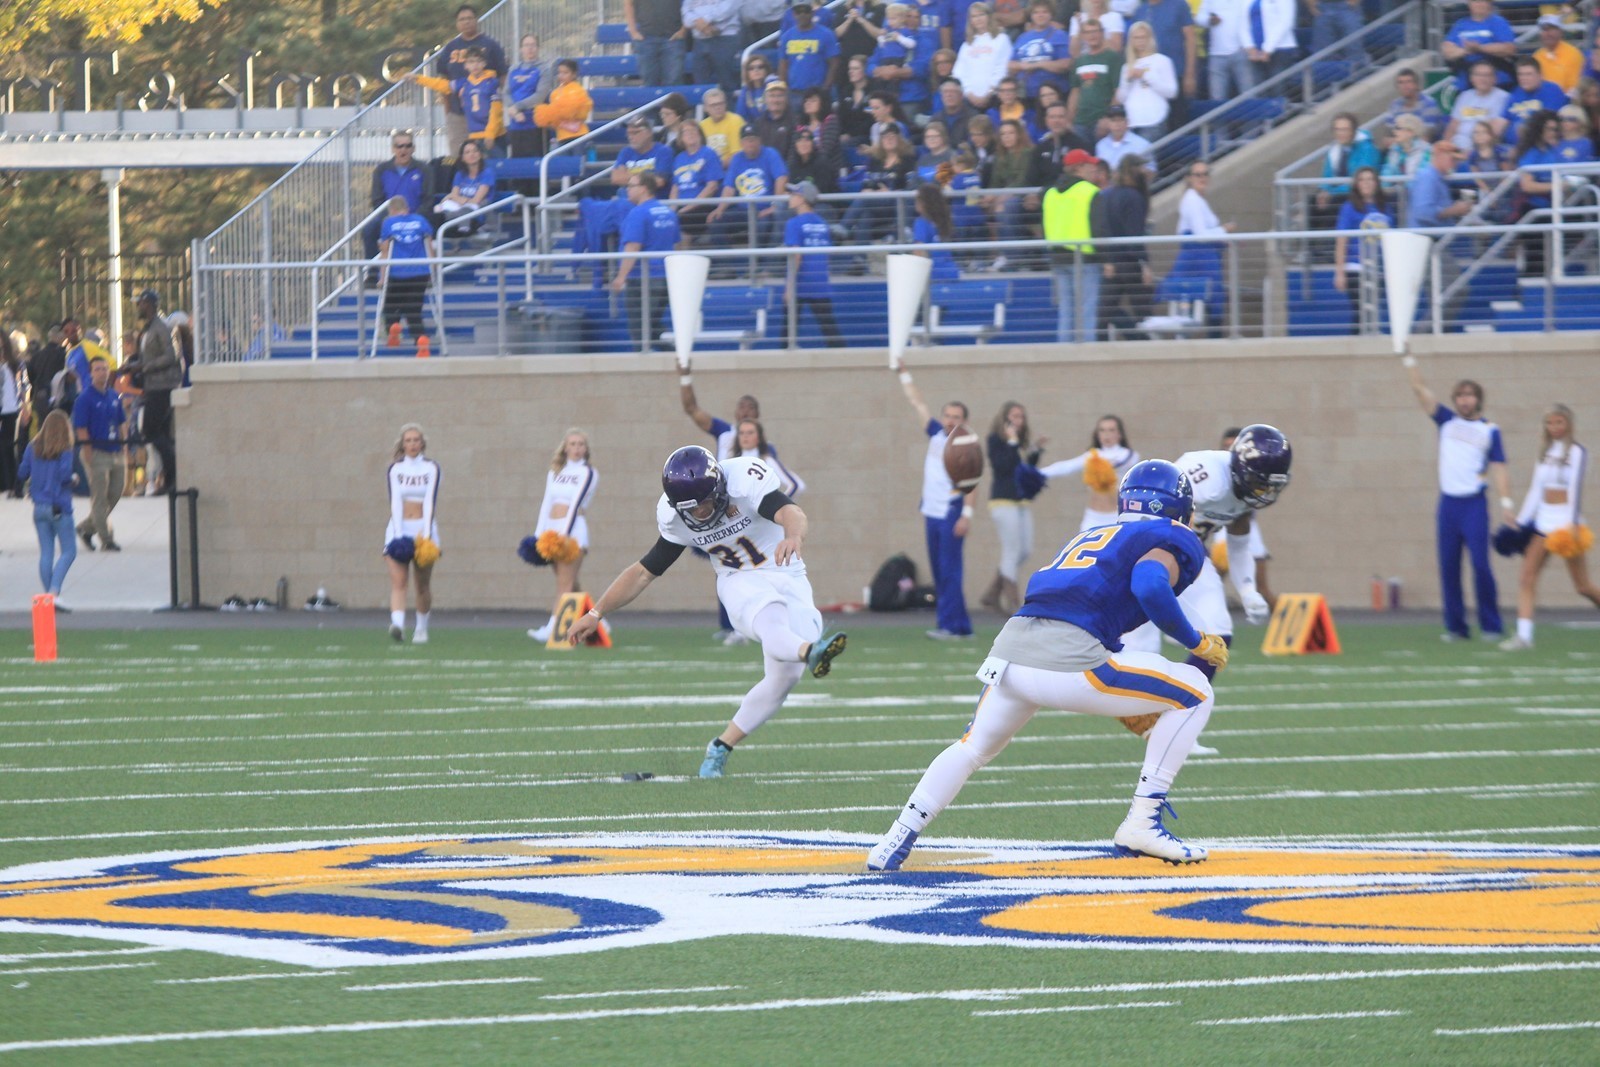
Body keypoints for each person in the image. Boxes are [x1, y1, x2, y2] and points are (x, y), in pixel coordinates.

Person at [866, 459, 1226, 871]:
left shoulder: (1095, 532)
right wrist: (1196, 641)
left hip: (1013, 654)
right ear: (1177, 506)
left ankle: (894, 840)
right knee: (1196, 690)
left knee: (972, 749)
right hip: (1071, 662)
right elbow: (1149, 583)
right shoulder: (1171, 535)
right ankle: (1143, 822)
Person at [565, 445, 848, 777]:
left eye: (704, 503)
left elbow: (790, 512)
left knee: (784, 677)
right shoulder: (674, 517)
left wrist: (793, 536)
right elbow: (644, 572)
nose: (699, 513)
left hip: (787, 571)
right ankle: (809, 650)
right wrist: (596, 613)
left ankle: (720, 746)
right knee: (770, 618)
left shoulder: (744, 480)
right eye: (691, 508)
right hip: (738, 580)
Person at [1401, 358, 1512, 641]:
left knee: (1481, 565)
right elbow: (1420, 389)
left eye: (1469, 395)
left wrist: (1507, 503)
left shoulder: (1490, 430)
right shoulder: (1446, 421)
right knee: (1449, 566)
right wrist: (1408, 358)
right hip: (1448, 505)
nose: (1464, 400)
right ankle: (1456, 627)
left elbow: (1499, 468)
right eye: (1460, 395)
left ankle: (1491, 625)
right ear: (1455, 400)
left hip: (1473, 504)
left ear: (1478, 400)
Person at [1502, 404, 1599, 650]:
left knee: (1583, 586)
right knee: (1527, 576)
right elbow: (1536, 490)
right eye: (1550, 423)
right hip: (1543, 523)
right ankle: (1524, 636)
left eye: (1559, 422)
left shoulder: (1577, 452)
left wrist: (1573, 524)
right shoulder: (1544, 452)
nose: (1554, 427)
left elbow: (1575, 489)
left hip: (1566, 523)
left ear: (1568, 424)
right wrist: (1521, 523)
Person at [891, 361, 974, 640]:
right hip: (932, 511)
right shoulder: (937, 434)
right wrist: (904, 374)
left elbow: (972, 483)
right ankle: (959, 625)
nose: (951, 420)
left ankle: (951, 626)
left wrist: (967, 515)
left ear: (964, 421)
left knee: (950, 570)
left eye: (956, 416)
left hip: (951, 511)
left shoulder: (966, 444)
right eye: (948, 415)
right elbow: (918, 403)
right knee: (940, 570)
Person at [528, 429, 600, 643]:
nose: (576, 448)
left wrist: (564, 536)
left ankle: (553, 628)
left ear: (586, 449)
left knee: (564, 584)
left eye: (581, 444)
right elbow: (546, 503)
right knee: (570, 582)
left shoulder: (588, 472)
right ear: (565, 447)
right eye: (572, 444)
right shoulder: (555, 472)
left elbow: (576, 503)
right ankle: (599, 619)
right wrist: (539, 535)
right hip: (551, 530)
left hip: (573, 531)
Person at [1020, 413, 1141, 530]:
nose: (1106, 434)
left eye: (1111, 430)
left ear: (1119, 434)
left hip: (1117, 516)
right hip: (1093, 517)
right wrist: (1036, 473)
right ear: (1097, 434)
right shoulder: (1092, 456)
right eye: (1102, 430)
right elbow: (1067, 466)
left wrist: (1094, 462)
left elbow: (1120, 462)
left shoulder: (1129, 455)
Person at [982, 401, 1045, 613]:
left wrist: (1035, 450)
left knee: (1025, 549)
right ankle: (1013, 601)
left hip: (1021, 501)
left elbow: (1025, 469)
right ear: (1005, 418)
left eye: (1021, 416)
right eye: (1014, 416)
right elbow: (1003, 466)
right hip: (1003, 501)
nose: (1018, 420)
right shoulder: (996, 440)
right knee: (1011, 550)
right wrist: (1011, 443)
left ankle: (992, 592)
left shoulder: (1018, 442)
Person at [384, 423, 441, 644]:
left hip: (423, 529)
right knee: (399, 581)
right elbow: (395, 502)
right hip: (399, 528)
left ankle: (421, 628)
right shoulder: (395, 469)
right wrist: (398, 536)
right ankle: (398, 625)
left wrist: (426, 536)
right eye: (408, 440)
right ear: (402, 444)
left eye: (416, 440)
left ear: (422, 443)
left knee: (422, 584)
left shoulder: (431, 468)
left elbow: (429, 501)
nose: (412, 444)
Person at [611, 173, 682, 350]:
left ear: (643, 189)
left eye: (631, 186)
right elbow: (677, 243)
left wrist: (621, 277)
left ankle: (669, 359)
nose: (627, 190)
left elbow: (633, 247)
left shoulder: (638, 213)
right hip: (665, 276)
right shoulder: (667, 212)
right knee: (652, 326)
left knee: (640, 329)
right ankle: (676, 357)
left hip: (642, 278)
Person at [17, 410, 78, 607]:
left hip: (39, 506)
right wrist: (75, 480)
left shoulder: (33, 446)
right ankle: (53, 592)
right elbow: (64, 476)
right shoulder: (65, 449)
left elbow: (22, 472)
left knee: (46, 553)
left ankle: (48, 596)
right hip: (59, 506)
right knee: (69, 551)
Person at [1043, 148, 1102, 343]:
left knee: (1066, 310)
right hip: (1085, 258)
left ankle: (1064, 353)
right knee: (1087, 310)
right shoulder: (1090, 191)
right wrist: (1106, 257)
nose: (1094, 168)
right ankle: (1087, 354)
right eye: (1089, 165)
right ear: (1079, 168)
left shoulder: (1050, 193)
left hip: (1057, 257)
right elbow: (1099, 227)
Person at [70, 356, 125, 553]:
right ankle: (106, 539)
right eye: (98, 369)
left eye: (105, 368)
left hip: (116, 452)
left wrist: (124, 447)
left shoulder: (113, 396)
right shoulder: (84, 398)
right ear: (91, 373)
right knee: (100, 497)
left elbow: (121, 423)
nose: (102, 372)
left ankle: (85, 528)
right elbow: (81, 428)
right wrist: (88, 454)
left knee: (115, 493)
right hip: (96, 452)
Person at [706, 125, 789, 253]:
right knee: (716, 222)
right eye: (746, 139)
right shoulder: (737, 158)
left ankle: (757, 265)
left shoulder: (770, 153)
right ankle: (730, 267)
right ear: (741, 143)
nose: (750, 142)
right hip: (743, 209)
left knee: (762, 225)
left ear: (759, 140)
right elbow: (729, 188)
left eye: (753, 139)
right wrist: (720, 208)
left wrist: (774, 205)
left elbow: (781, 178)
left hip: (763, 209)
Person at [783, 180, 847, 346]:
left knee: (787, 332)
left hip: (801, 282)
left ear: (802, 199)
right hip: (820, 281)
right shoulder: (822, 223)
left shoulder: (793, 224)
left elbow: (796, 256)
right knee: (830, 330)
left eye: (794, 194)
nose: (790, 197)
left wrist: (789, 287)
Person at [437, 5, 507, 153]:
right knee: (458, 157)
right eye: (462, 19)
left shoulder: (490, 45)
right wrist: (447, 107)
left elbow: (503, 75)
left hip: (486, 116)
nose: (466, 22)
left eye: (469, 18)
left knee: (488, 157)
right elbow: (443, 78)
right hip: (458, 114)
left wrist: (500, 103)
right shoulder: (450, 47)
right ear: (457, 24)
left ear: (476, 20)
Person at [1098, 154, 1153, 336]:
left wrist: (1107, 260)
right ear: (1133, 170)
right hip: (1130, 262)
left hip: (1113, 262)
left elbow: (1103, 228)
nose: (1146, 172)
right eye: (1142, 168)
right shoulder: (1134, 197)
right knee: (1143, 313)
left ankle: (1100, 350)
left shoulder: (1109, 195)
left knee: (1104, 313)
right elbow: (1135, 234)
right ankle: (1144, 347)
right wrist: (1144, 263)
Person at [410, 45, 504, 150]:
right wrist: (417, 78)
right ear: (466, 65)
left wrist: (490, 134)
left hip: (495, 136)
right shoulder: (464, 83)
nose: (475, 65)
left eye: (478, 61)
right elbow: (441, 85)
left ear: (484, 63)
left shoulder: (492, 83)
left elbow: (496, 111)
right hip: (475, 136)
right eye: (471, 62)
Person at [133, 290, 180, 493]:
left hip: (162, 386)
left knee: (150, 431)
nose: (139, 307)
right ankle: (169, 480)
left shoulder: (162, 327)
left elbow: (171, 356)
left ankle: (173, 475)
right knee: (159, 433)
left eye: (141, 303)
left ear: (150, 304)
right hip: (152, 386)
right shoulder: (150, 328)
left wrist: (146, 367)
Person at [364, 133, 434, 267]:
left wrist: (412, 218)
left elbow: (428, 199)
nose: (403, 150)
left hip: (416, 218)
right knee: (369, 230)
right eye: (399, 146)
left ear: (413, 148)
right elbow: (376, 200)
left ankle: (425, 272)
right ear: (393, 149)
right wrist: (391, 218)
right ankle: (373, 273)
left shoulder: (424, 169)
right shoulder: (381, 170)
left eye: (408, 146)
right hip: (389, 218)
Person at [379, 195, 437, 355]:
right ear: (407, 208)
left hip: (397, 272)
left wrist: (382, 277)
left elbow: (385, 252)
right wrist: (432, 271)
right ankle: (421, 339)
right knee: (414, 310)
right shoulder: (421, 220)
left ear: (391, 210)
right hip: (420, 272)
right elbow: (430, 247)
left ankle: (393, 328)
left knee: (389, 306)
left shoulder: (388, 223)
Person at [1332, 167, 1394, 301]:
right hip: (1356, 267)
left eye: (1370, 179)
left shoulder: (1385, 208)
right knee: (1360, 311)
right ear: (1357, 184)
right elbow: (1342, 240)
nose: (1366, 183)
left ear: (1376, 183)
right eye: (1362, 180)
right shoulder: (1349, 207)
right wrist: (1339, 272)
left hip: (1378, 268)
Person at [1312, 112, 1379, 230]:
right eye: (1337, 130)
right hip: (1338, 191)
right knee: (1313, 201)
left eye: (1345, 129)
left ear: (1353, 131)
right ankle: (1315, 246)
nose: (1341, 134)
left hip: (1358, 192)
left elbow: (1361, 179)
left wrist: (1331, 193)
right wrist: (1323, 191)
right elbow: (1326, 177)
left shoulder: (1367, 148)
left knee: (1335, 202)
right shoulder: (1334, 150)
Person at [1114, 21, 1177, 141]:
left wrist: (1146, 76)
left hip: (1154, 120)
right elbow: (1121, 98)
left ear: (1150, 38)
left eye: (1143, 37)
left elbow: (1172, 92)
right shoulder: (1127, 67)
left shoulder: (1162, 61)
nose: (1140, 41)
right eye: (1136, 38)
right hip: (1132, 122)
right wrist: (1128, 80)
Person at [1129, 0, 1196, 108]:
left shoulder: (1179, 5)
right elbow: (1133, 43)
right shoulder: (1140, 10)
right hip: (1149, 77)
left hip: (1177, 73)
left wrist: (1190, 75)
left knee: (1178, 118)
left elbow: (1190, 39)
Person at [1066, 19, 1123, 143]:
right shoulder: (1079, 61)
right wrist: (1070, 120)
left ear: (1102, 33)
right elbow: (1075, 92)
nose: (1092, 35)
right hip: (1080, 122)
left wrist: (1108, 118)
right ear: (1082, 36)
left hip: (1102, 120)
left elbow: (1118, 91)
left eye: (1095, 31)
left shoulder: (1112, 57)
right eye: (1087, 32)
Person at [1440, 0, 1515, 91]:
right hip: (1466, 83)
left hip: (1498, 83)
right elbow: (1447, 51)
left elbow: (1508, 49)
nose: (1479, 4)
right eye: (1476, 1)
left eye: (1483, 1)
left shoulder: (1499, 22)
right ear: (1469, 4)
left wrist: (1480, 48)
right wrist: (1466, 51)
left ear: (1489, 4)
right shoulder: (1460, 24)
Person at [670, 120, 725, 242]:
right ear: (681, 138)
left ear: (700, 134)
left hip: (702, 204)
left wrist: (688, 207)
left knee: (682, 221)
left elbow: (712, 187)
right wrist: (672, 209)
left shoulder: (708, 154)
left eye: (693, 131)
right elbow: (675, 187)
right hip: (682, 207)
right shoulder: (679, 158)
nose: (690, 134)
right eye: (686, 132)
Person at [1009, 1, 1072, 102]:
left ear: (1051, 14)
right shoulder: (1022, 38)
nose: (1040, 15)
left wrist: (1038, 64)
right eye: (1036, 12)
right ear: (1031, 15)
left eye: (1044, 12)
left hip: (1054, 95)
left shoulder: (1060, 35)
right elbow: (1011, 65)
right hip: (1027, 96)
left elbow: (1066, 64)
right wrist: (1023, 66)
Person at [954, 2, 1013, 106]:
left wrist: (990, 92)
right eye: (974, 16)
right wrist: (969, 93)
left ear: (989, 16)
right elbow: (959, 72)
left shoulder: (1001, 39)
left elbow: (1003, 68)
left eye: (981, 15)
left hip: (995, 98)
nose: (978, 19)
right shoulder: (967, 45)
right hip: (969, 100)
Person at [1502, 57, 1570, 147]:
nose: (1523, 78)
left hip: (1542, 145)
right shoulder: (1516, 92)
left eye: (1528, 74)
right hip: (1512, 146)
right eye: (1520, 74)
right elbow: (1502, 120)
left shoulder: (1551, 90)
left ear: (1540, 75)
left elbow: (1548, 123)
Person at [433, 140, 496, 236]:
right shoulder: (460, 174)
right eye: (467, 152)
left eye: (475, 151)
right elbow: (454, 195)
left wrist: (459, 199)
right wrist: (455, 198)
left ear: (480, 154)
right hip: (459, 208)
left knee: (465, 210)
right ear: (462, 158)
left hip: (478, 212)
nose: (472, 154)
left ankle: (461, 227)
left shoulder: (487, 173)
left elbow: (477, 200)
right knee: (438, 209)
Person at [1444, 60, 1510, 152]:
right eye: (1478, 75)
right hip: (1456, 146)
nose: (1483, 79)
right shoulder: (1464, 96)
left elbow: (1495, 131)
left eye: (1487, 75)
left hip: (1481, 149)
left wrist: (1472, 153)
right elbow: (1453, 125)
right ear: (1471, 78)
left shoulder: (1503, 97)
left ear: (1495, 78)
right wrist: (1446, 147)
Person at [730, 417, 806, 495]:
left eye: (750, 432)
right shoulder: (732, 463)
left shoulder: (767, 461)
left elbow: (796, 485)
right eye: (741, 433)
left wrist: (779, 506)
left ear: (759, 437)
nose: (745, 436)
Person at [779, 1, 841, 92]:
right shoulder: (787, 36)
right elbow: (783, 64)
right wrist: (784, 89)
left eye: (806, 11)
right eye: (798, 12)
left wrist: (826, 87)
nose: (802, 15)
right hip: (794, 91)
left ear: (812, 13)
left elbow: (834, 63)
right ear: (793, 15)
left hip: (818, 91)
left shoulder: (826, 34)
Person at [684, 0, 743, 93]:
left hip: (725, 38)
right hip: (700, 40)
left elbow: (729, 7)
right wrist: (698, 23)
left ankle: (730, 107)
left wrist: (705, 21)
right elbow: (685, 12)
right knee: (700, 84)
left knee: (727, 82)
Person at [1198, 0, 1251, 102]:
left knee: (1249, 94)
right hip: (1216, 55)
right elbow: (1199, 18)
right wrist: (1209, 20)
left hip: (1241, 51)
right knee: (1216, 99)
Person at [625, 0, 687, 87]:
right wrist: (633, 31)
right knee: (649, 82)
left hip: (673, 38)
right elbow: (629, 3)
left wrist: (683, 31)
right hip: (646, 38)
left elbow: (690, 3)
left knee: (674, 82)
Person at [533, 59, 592, 144]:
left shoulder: (579, 90)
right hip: (562, 136)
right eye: (559, 73)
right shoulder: (555, 93)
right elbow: (553, 116)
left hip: (579, 135)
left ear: (574, 74)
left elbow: (582, 113)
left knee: (578, 157)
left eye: (565, 73)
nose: (561, 76)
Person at [911, 182, 960, 282]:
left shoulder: (921, 222)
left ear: (924, 203)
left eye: (917, 200)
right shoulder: (945, 220)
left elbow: (919, 252)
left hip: (933, 275)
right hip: (952, 272)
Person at [1383, 68, 1447, 141]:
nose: (1404, 86)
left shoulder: (1429, 104)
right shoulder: (1394, 105)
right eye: (1400, 82)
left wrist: (1397, 140)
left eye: (1408, 82)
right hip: (1401, 146)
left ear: (1416, 85)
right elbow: (1387, 136)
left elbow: (1426, 137)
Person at [0, 332, 26, 497]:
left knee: (11, 448)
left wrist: (26, 407)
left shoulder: (16, 364)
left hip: (11, 410)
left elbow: (25, 386)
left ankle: (14, 486)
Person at [1095, 104, 1153, 174]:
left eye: (1121, 120)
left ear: (1127, 122)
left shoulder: (1142, 144)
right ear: (1108, 123)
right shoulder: (1100, 146)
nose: (1117, 124)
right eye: (1113, 120)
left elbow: (1151, 171)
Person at [1534, 14, 1583, 97]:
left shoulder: (1573, 54)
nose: (1547, 33)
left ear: (1560, 32)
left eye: (1552, 29)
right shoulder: (1536, 57)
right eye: (1544, 30)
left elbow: (1575, 88)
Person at [1381, 114, 1432, 182]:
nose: (1394, 131)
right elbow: (1386, 175)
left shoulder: (1426, 151)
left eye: (1398, 128)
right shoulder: (1393, 151)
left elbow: (1423, 180)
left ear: (1411, 132)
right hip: (1397, 191)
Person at [699, 88, 745, 162]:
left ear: (725, 104)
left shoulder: (735, 121)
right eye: (713, 105)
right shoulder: (701, 126)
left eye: (720, 103)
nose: (718, 107)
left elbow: (737, 156)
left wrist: (714, 166)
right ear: (705, 108)